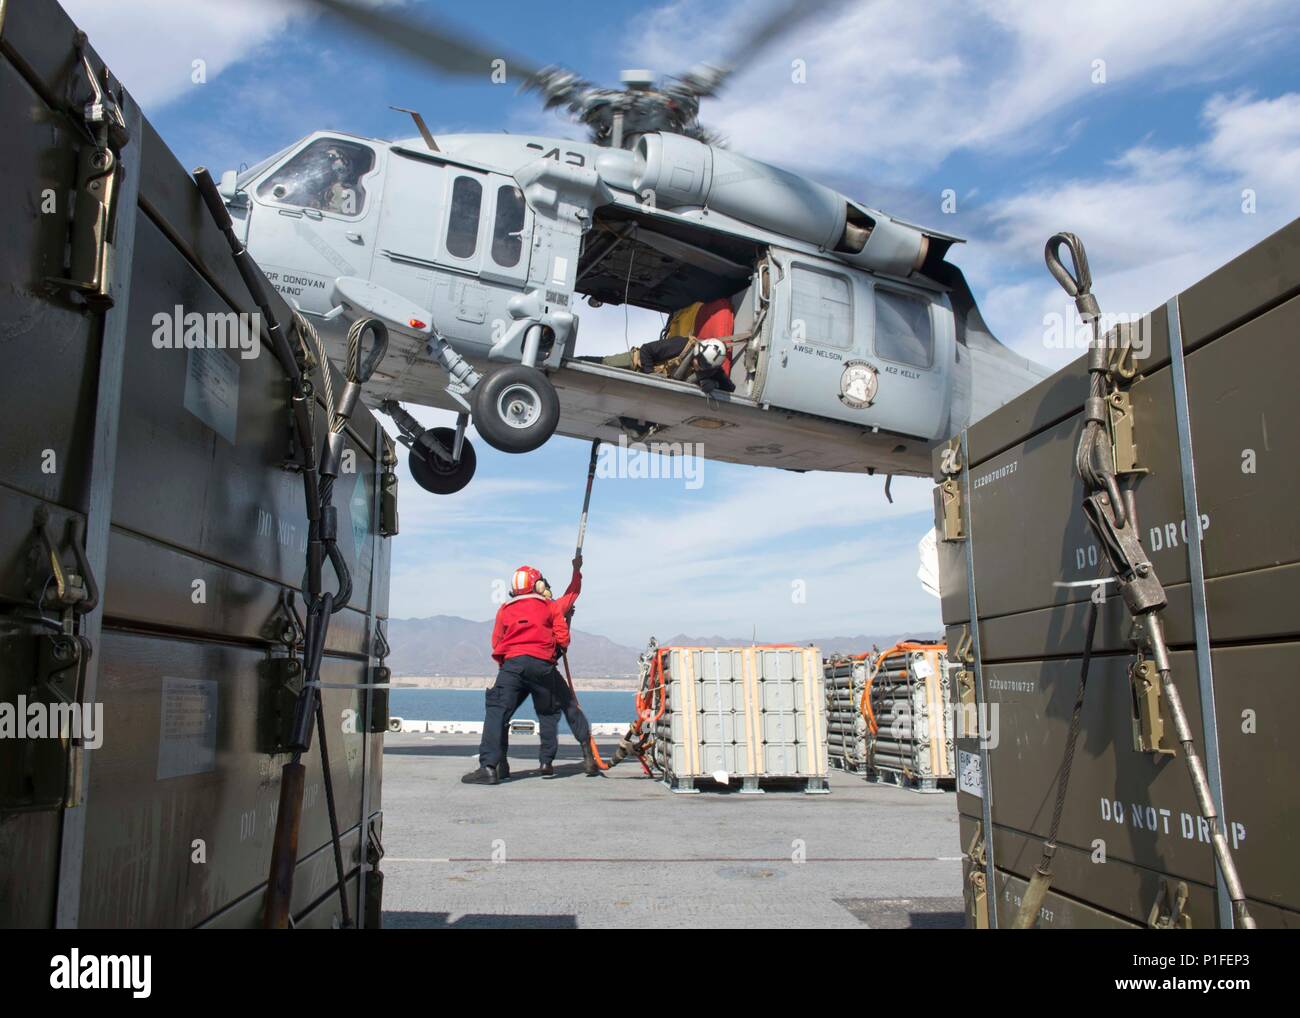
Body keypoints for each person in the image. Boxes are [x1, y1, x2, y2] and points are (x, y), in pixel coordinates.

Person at [463, 554, 600, 784]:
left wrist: (508, 671)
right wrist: (577, 569)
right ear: (538, 585)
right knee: (568, 705)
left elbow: (497, 643)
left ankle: (492, 767)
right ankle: (587, 757)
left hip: (513, 668)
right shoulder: (550, 606)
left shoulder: (505, 610)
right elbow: (564, 633)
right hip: (543, 667)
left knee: (498, 712)